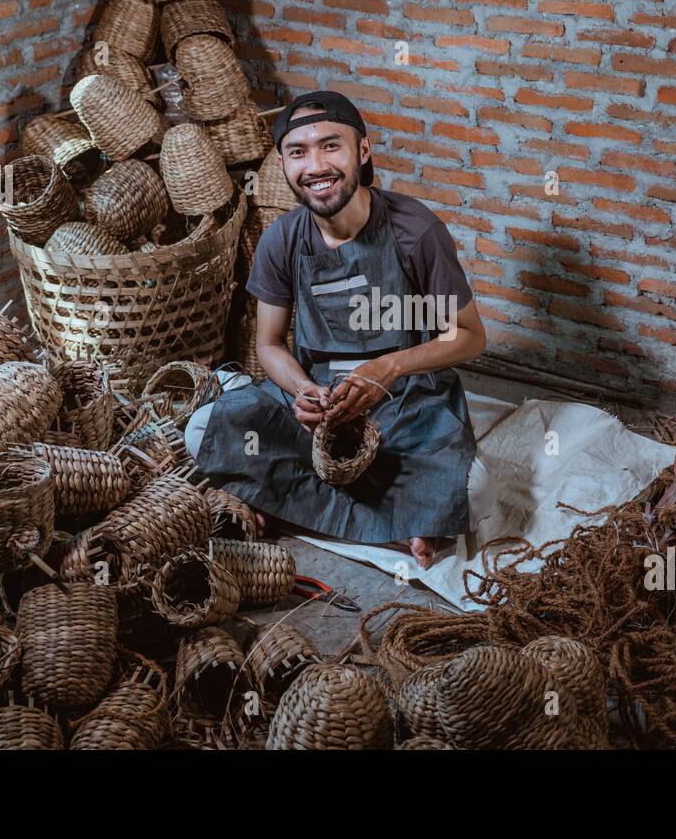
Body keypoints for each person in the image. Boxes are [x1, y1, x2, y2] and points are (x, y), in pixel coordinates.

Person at [188, 90, 486, 569]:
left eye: (331, 146)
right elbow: (268, 345)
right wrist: (303, 390)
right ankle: (396, 526)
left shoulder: (415, 230)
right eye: (298, 152)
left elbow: (470, 336)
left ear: (362, 152)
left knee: (480, 486)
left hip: (405, 398)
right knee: (204, 427)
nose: (316, 166)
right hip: (319, 403)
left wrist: (388, 367)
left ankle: (284, 508)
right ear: (283, 164)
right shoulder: (282, 238)